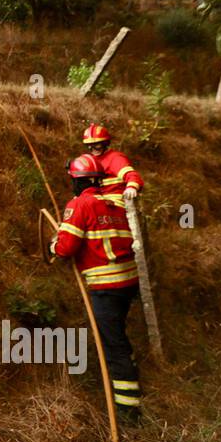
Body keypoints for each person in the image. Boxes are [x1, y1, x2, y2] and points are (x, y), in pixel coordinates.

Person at [51, 155, 143, 424]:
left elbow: (66, 247)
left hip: (106, 287)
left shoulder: (80, 204)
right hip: (127, 285)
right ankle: (131, 371)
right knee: (118, 335)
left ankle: (128, 412)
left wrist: (52, 247)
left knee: (112, 346)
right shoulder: (114, 205)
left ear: (77, 181)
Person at [82, 123, 145, 209]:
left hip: (115, 205)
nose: (93, 149)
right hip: (97, 202)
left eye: (97, 145)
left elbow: (133, 176)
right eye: (89, 146)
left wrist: (131, 187)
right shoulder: (90, 161)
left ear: (105, 143)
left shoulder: (115, 158)